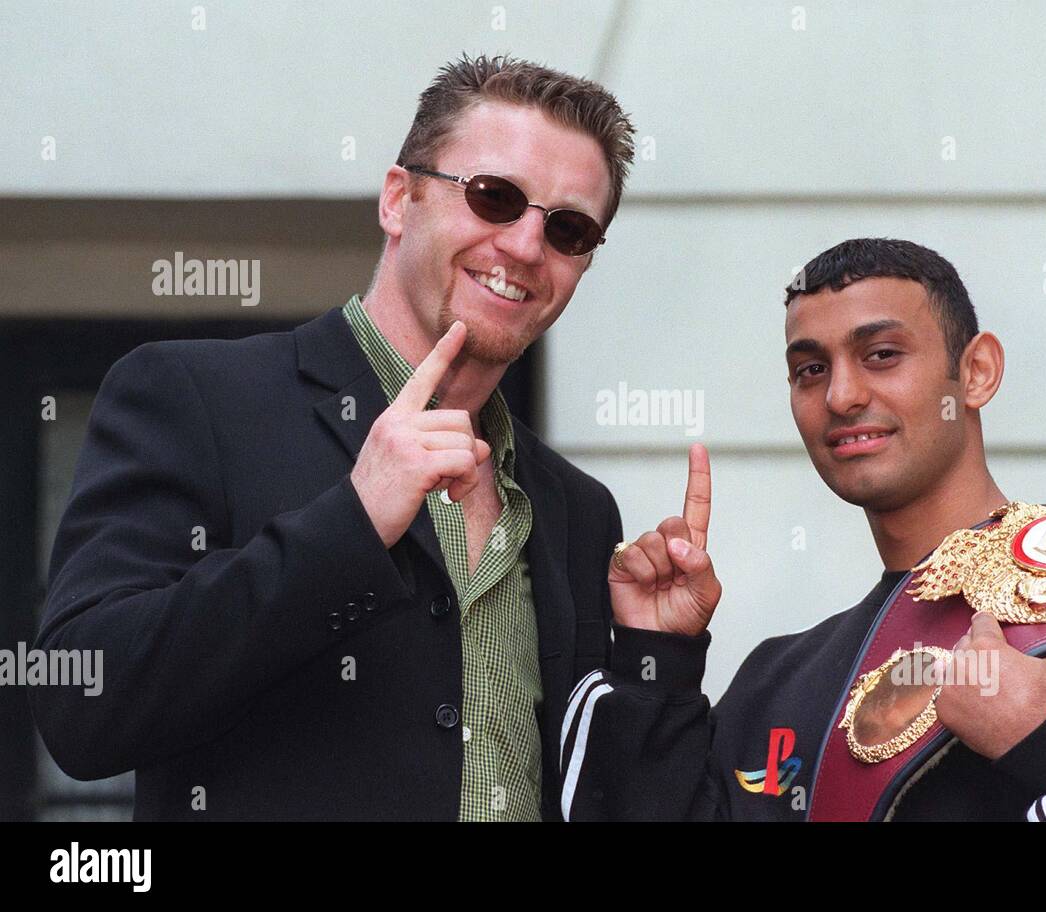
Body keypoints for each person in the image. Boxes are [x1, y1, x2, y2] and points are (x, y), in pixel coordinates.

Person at [31, 54, 635, 821]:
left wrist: (662, 660)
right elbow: (82, 705)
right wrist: (350, 524)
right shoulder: (195, 399)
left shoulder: (578, 509)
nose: (523, 245)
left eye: (568, 228)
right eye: (494, 197)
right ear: (397, 199)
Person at [559, 238, 1046, 821]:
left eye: (881, 355)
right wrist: (659, 656)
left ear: (976, 372)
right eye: (810, 370)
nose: (843, 395)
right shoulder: (772, 682)